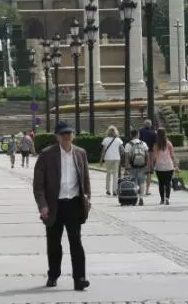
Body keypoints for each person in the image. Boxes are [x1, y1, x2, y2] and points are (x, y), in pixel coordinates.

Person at [32, 121, 91, 291]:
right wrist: (42, 205)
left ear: (73, 135)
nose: (66, 137)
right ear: (57, 136)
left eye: (69, 134)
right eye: (63, 134)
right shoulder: (46, 155)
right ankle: (53, 275)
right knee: (54, 244)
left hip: (73, 204)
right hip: (53, 205)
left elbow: (85, 180)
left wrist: (87, 199)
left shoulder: (80, 153)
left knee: (76, 242)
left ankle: (80, 278)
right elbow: (38, 185)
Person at [123, 128, 149, 206]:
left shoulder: (128, 144)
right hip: (142, 165)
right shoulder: (143, 143)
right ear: (138, 134)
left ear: (131, 135)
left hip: (132, 166)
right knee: (142, 182)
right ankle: (141, 197)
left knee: (133, 183)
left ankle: (134, 197)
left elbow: (127, 157)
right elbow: (147, 155)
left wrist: (126, 167)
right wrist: (147, 164)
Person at [152, 128, 178, 205]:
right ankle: (167, 198)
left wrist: (153, 165)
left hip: (159, 166)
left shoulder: (156, 145)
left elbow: (155, 157)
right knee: (168, 183)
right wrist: (176, 165)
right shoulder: (169, 143)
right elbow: (172, 155)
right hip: (169, 166)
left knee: (161, 183)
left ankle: (162, 199)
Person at [99, 126, 122, 196]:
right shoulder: (118, 140)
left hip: (108, 158)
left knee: (108, 174)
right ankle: (115, 190)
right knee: (115, 175)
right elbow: (121, 150)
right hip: (116, 158)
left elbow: (103, 151)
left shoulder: (105, 140)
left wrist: (101, 159)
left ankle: (108, 190)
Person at [138, 120, 157, 196]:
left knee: (140, 171)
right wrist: (155, 156)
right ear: (150, 125)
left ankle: (140, 187)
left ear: (144, 125)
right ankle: (147, 190)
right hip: (150, 153)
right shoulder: (154, 133)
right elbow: (155, 145)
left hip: (141, 152)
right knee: (149, 172)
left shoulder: (140, 131)